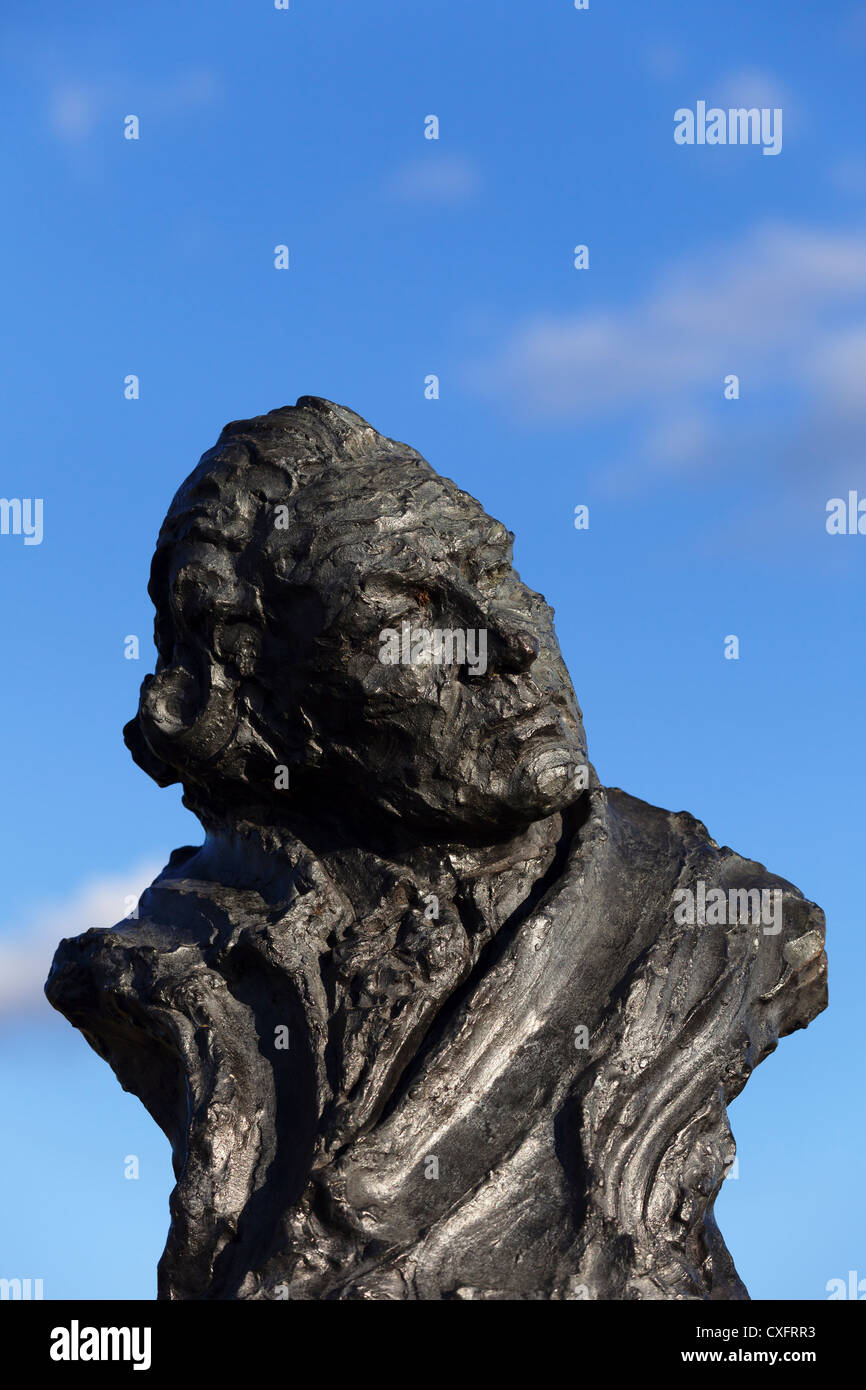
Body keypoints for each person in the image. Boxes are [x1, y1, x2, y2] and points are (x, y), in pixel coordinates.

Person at [47, 397, 827, 1301]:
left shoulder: (710, 920)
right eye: (408, 615)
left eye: (493, 568)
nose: (511, 642)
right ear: (259, 690)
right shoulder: (166, 961)